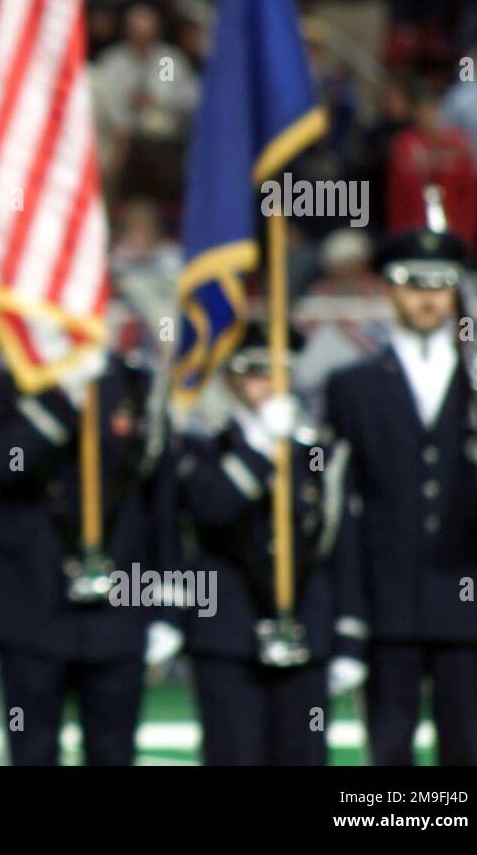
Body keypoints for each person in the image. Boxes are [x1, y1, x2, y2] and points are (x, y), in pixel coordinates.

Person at [325, 229, 477, 765]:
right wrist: (349, 609)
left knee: (463, 751)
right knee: (389, 752)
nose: (427, 299)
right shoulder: (351, 385)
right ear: (389, 291)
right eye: (412, 285)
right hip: (386, 600)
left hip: (468, 595)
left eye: (441, 286)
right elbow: (342, 502)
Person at [0, 346, 181, 765]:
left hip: (120, 605)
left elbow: (162, 505)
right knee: (30, 750)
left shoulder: (138, 384)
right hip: (29, 604)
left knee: (114, 751)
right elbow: (0, 468)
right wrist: (62, 401)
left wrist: (169, 604)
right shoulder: (2, 379)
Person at [179, 325, 367, 765]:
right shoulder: (204, 444)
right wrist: (261, 446)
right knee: (233, 754)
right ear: (231, 378)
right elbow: (212, 510)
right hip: (228, 630)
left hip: (307, 628)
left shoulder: (318, 453)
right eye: (256, 371)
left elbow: (340, 547)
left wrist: (349, 634)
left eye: (281, 371)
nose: (269, 382)